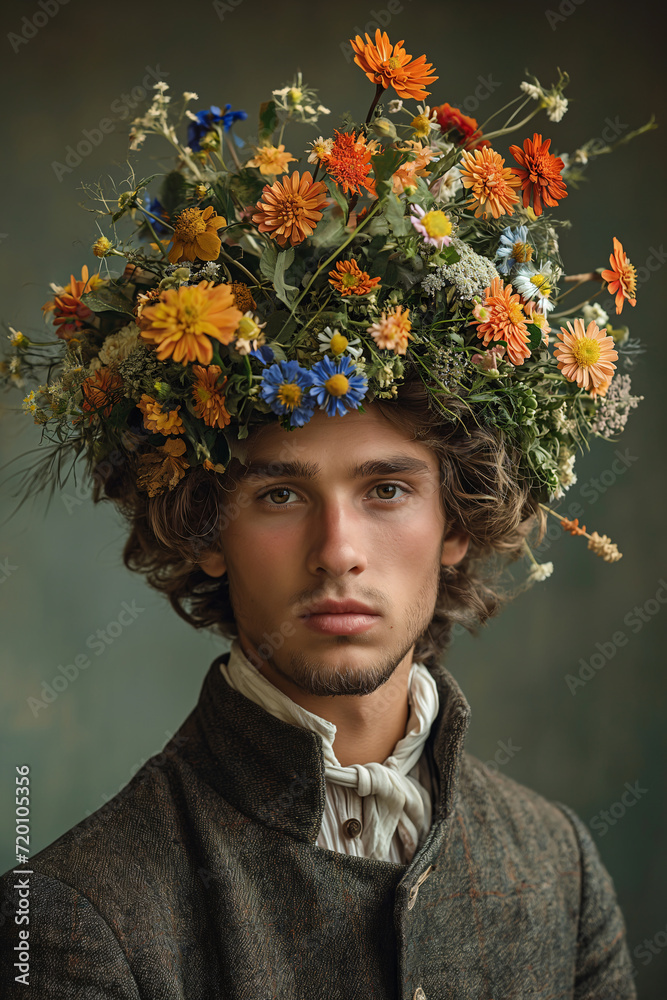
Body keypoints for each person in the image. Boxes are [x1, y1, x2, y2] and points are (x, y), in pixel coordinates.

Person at [0, 29, 643, 997]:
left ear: (457, 522)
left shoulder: (561, 869)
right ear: (204, 529)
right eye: (278, 494)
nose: (337, 551)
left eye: (386, 490)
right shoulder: (70, 913)